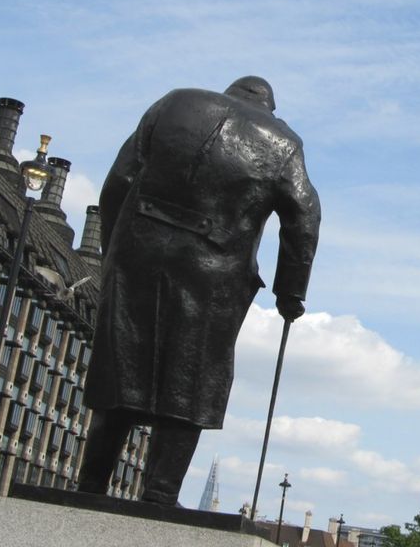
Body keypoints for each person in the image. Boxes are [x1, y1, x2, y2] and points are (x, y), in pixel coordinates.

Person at [76, 76, 321, 505]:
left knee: (122, 366)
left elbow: (119, 179)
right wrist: (290, 292)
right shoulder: (282, 142)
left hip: (137, 254)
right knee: (191, 381)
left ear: (230, 93)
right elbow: (304, 218)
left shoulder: (174, 102)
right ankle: (159, 492)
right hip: (214, 276)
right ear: (270, 107)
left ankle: (90, 484)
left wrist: (115, 247)